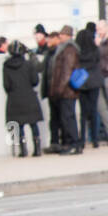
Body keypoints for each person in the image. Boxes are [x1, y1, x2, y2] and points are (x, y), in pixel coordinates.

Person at [1, 41, 43, 157]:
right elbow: (35, 81)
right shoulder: (28, 64)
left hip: (14, 98)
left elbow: (6, 85)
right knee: (33, 123)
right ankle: (37, 148)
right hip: (29, 97)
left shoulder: (6, 65)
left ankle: (22, 150)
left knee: (16, 125)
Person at [48, 25, 81, 154]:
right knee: (66, 117)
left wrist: (59, 89)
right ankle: (70, 143)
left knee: (68, 118)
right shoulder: (64, 48)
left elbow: (67, 71)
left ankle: (73, 144)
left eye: (62, 34)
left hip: (67, 91)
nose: (60, 36)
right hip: (65, 90)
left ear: (67, 36)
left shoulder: (69, 49)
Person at [75, 25, 104, 149]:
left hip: (82, 82)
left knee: (83, 113)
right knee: (93, 111)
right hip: (94, 81)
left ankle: (82, 139)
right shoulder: (95, 50)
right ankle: (95, 139)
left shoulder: (78, 53)